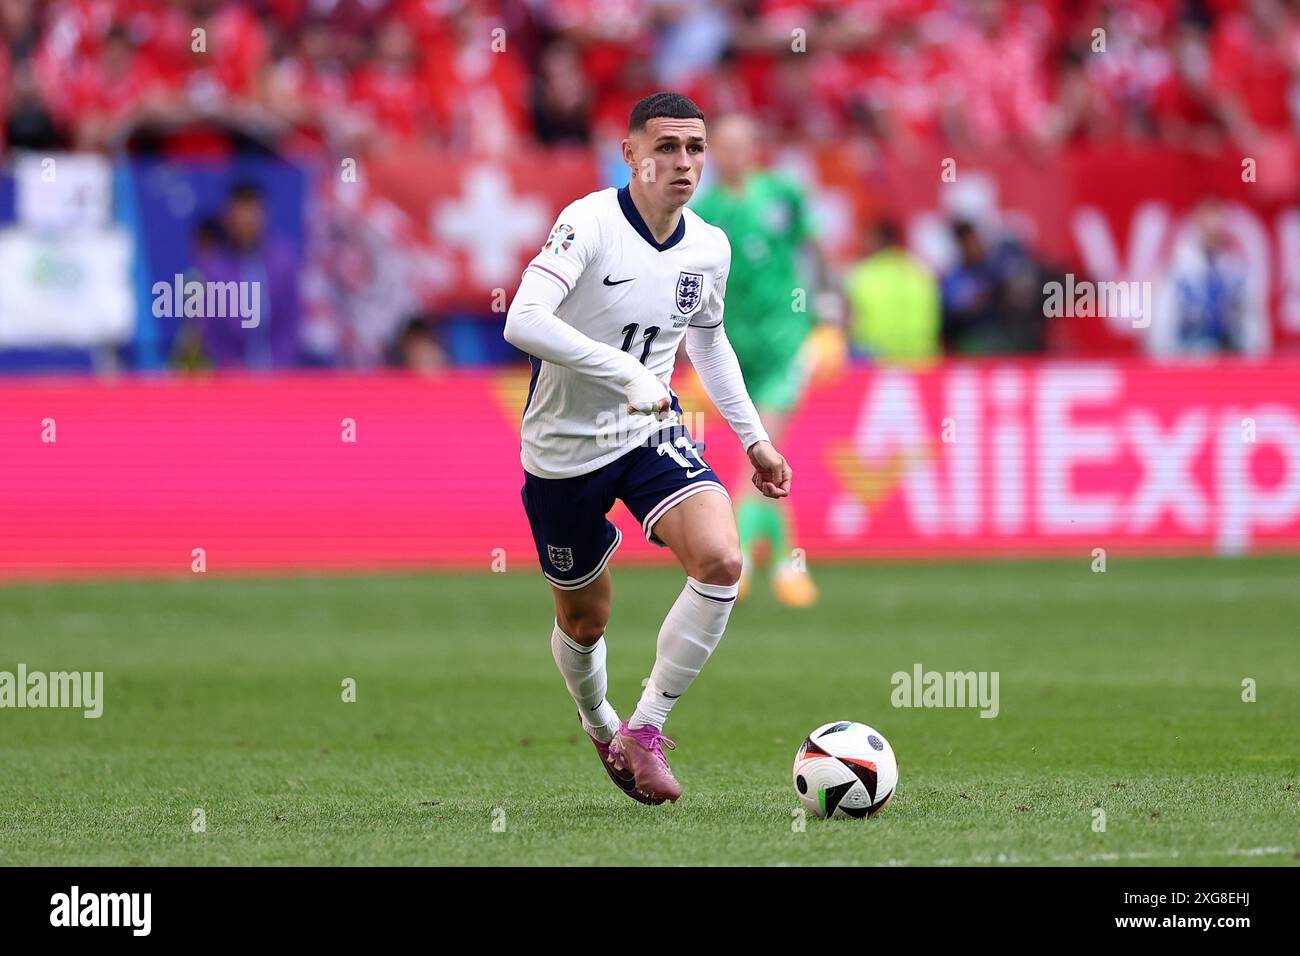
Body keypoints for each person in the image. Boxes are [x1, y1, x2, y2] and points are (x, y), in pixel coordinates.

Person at [503, 92, 792, 805]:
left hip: (646, 432)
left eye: (694, 148)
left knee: (723, 560)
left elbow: (709, 340)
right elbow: (522, 319)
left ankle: (646, 727)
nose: (684, 163)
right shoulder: (588, 222)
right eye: (666, 147)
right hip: (563, 449)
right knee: (583, 619)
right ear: (630, 153)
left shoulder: (708, 245)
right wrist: (626, 370)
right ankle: (601, 723)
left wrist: (753, 438)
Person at [689, 112, 833, 607]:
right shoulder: (702, 213)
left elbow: (816, 250)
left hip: (784, 342)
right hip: (730, 349)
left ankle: (744, 559)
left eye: (740, 144)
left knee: (761, 446)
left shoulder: (782, 195)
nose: (732, 154)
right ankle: (790, 565)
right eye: (720, 146)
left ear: (755, 147)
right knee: (759, 455)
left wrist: (830, 314)